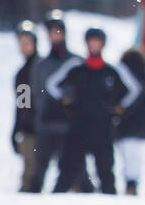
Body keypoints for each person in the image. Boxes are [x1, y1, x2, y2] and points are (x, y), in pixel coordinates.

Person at [46, 27, 140, 194]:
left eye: (97, 41)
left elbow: (135, 89)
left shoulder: (111, 70)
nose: (94, 45)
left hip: (103, 126)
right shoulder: (76, 67)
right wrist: (64, 100)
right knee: (68, 168)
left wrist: (121, 107)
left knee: (105, 171)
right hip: (78, 124)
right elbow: (51, 84)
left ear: (103, 44)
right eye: (91, 41)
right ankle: (55, 199)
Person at [25, 11, 74, 192]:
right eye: (51, 31)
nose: (55, 35)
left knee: (73, 170)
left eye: (58, 31)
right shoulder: (38, 66)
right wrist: (24, 122)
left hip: (68, 126)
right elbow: (28, 95)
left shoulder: (74, 62)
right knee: (37, 170)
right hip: (44, 125)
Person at [113, 47, 145, 195]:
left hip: (124, 126)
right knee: (135, 157)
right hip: (144, 127)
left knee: (127, 157)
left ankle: (130, 183)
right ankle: (132, 182)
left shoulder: (121, 81)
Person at [11, 21, 40, 191]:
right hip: (30, 129)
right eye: (21, 43)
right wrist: (17, 128)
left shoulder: (44, 67)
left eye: (27, 42)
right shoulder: (22, 74)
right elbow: (22, 104)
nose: (24, 46)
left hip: (49, 126)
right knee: (30, 173)